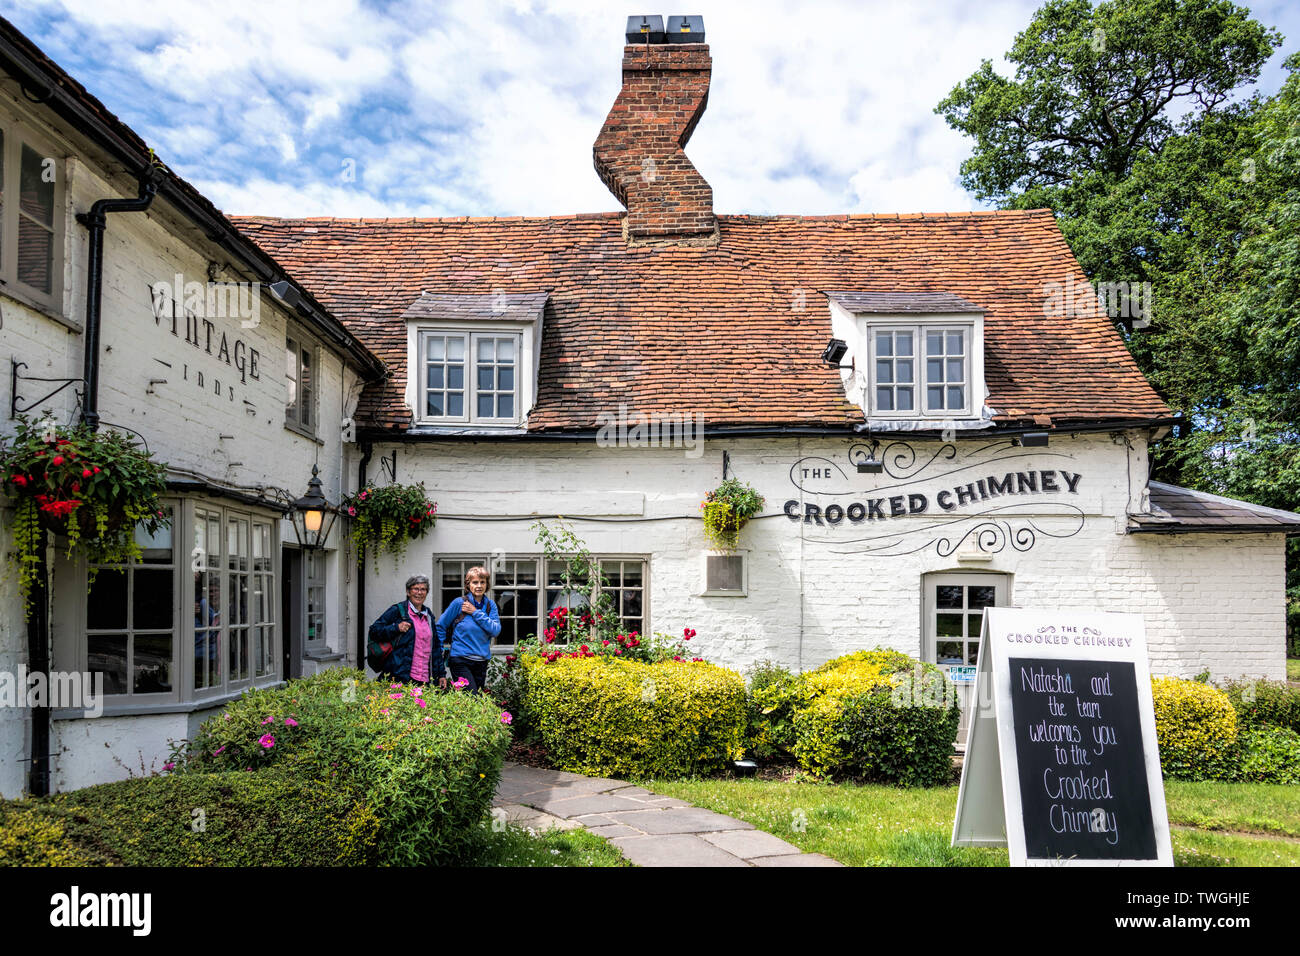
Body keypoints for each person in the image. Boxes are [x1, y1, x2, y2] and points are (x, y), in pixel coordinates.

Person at [368, 574, 447, 687]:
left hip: (425, 677)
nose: (419, 592)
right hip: (401, 676)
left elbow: (435, 647)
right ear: (408, 592)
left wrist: (441, 674)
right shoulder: (398, 610)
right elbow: (374, 630)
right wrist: (396, 628)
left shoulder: (428, 615)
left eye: (423, 589)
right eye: (415, 589)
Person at [438, 565, 500, 693]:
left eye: (482, 582)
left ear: (486, 584)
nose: (479, 586)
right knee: (472, 697)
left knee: (472, 703)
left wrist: (475, 612)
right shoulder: (459, 603)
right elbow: (440, 626)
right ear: (468, 584)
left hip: (481, 662)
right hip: (460, 659)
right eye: (475, 582)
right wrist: (438, 652)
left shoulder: (490, 605)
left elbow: (495, 630)